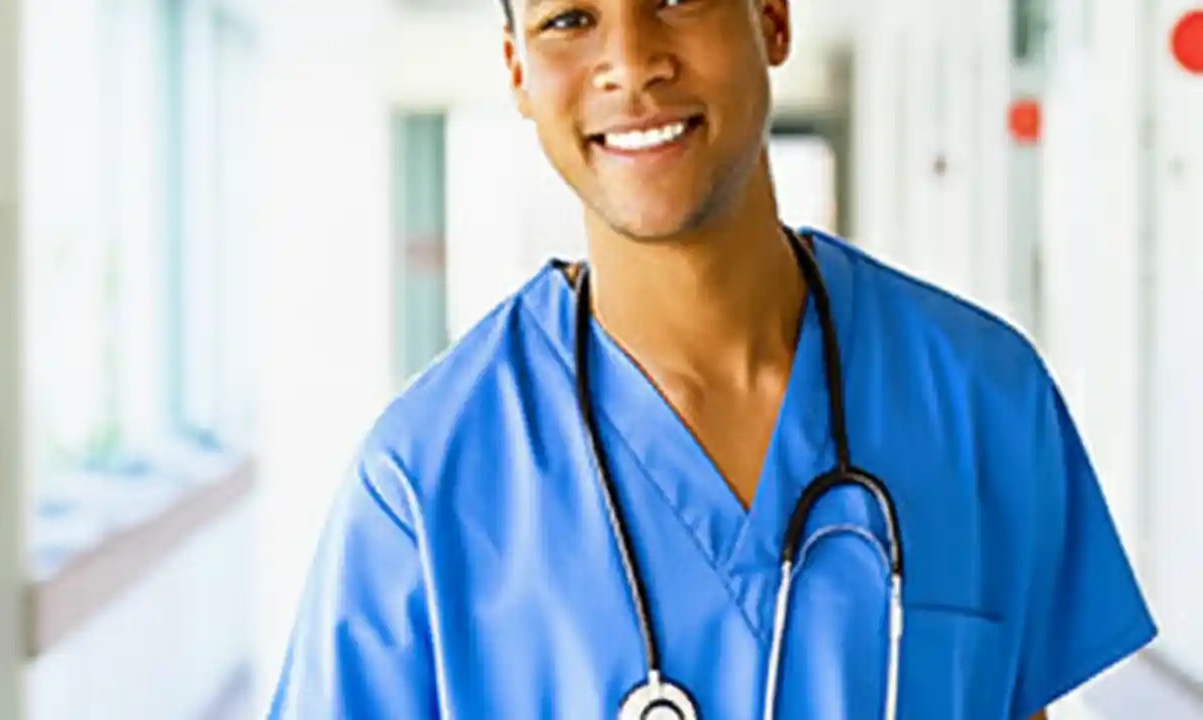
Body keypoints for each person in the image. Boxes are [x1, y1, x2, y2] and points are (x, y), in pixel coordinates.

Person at [267, 0, 1156, 716]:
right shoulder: (425, 479)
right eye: (569, 20)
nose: (632, 60)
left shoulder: (979, 397)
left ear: (772, 17)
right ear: (517, 72)